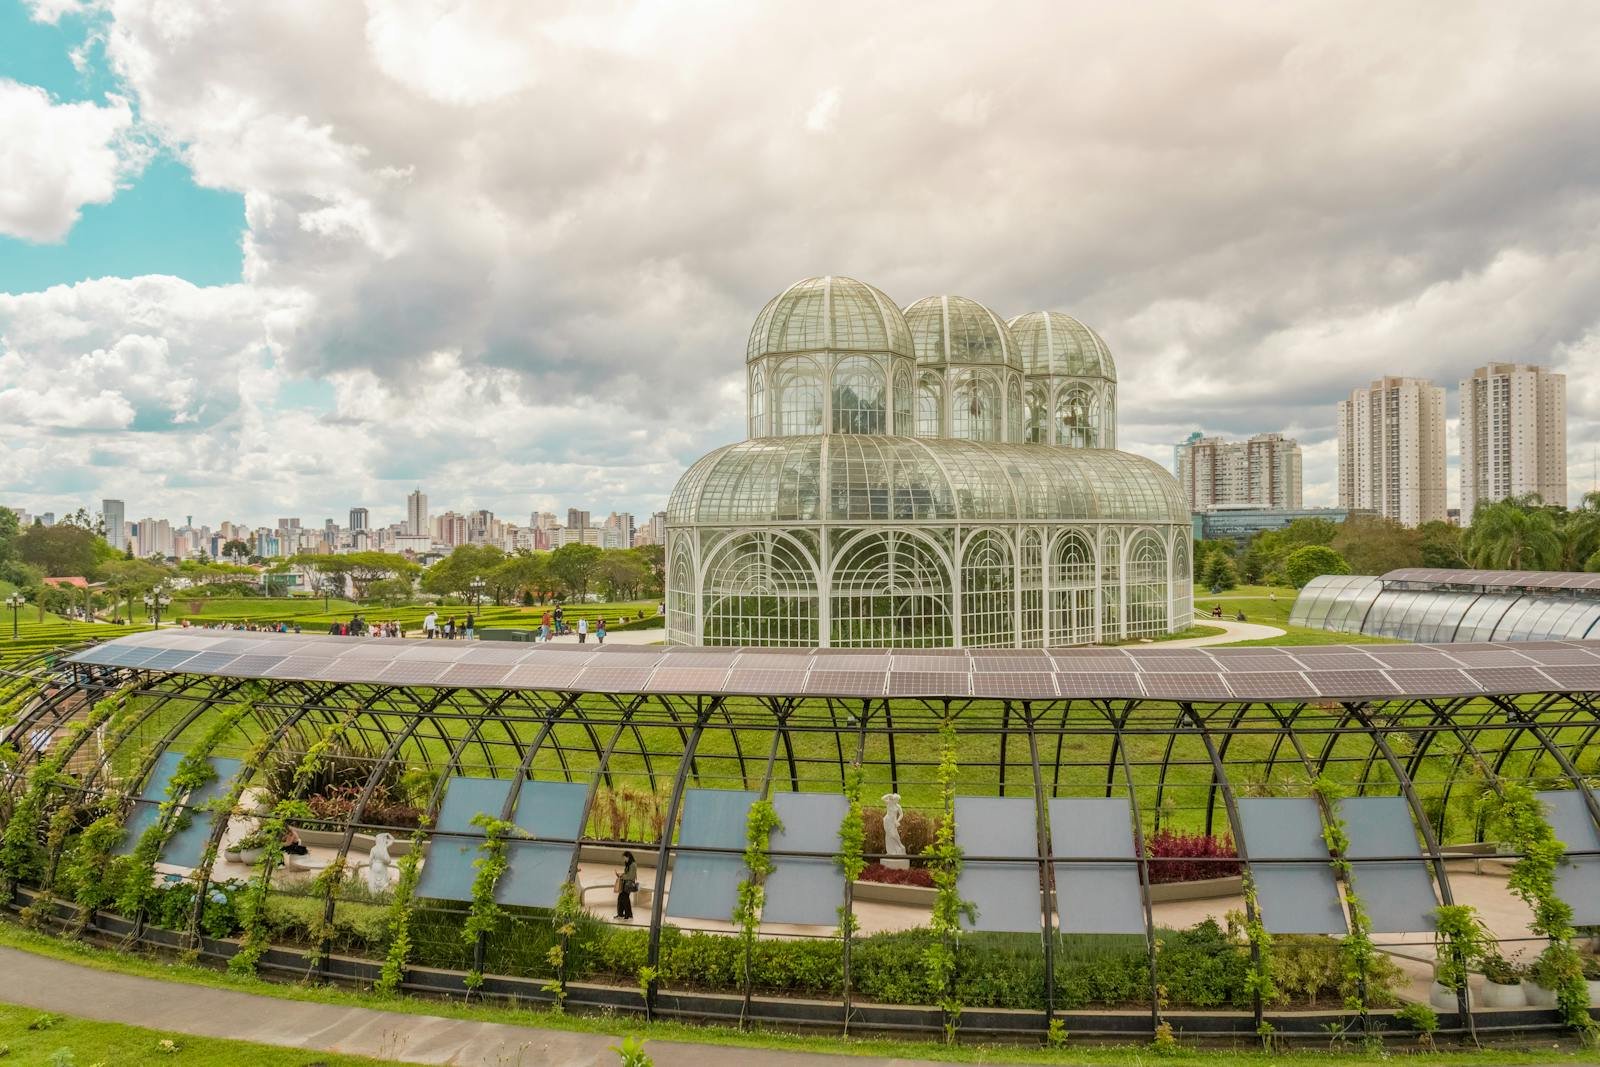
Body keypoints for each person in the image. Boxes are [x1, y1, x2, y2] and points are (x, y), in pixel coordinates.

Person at [616, 851, 637, 920]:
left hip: (628, 885)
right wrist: (621, 874)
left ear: (628, 857)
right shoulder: (628, 864)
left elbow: (631, 876)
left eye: (624, 858)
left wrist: (622, 876)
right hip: (625, 883)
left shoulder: (633, 865)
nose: (624, 859)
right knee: (622, 898)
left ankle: (626, 915)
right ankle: (623, 914)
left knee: (624, 899)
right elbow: (627, 874)